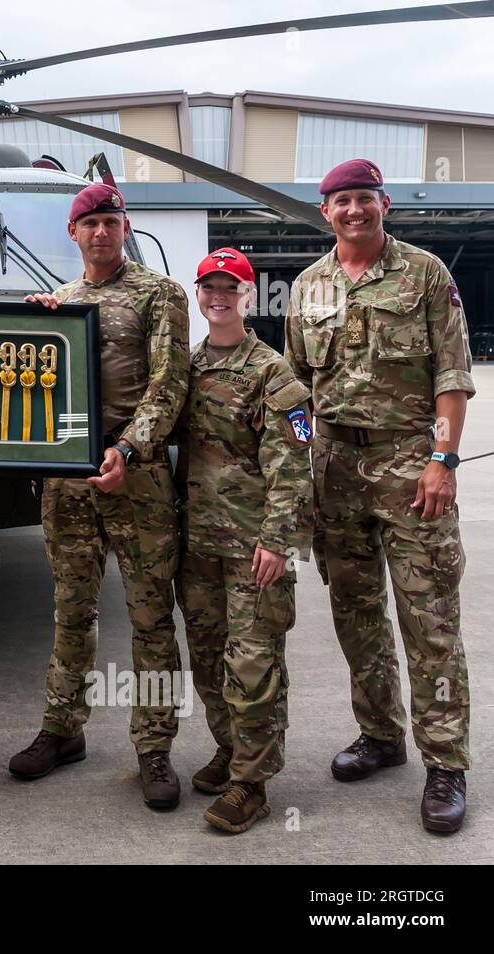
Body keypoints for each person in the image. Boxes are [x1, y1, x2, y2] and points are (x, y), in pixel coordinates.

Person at [286, 158, 474, 833]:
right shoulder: (308, 286)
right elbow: (297, 391)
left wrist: (442, 459)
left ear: (384, 203)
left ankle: (446, 762)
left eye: (364, 199)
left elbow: (452, 373)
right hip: (335, 472)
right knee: (356, 612)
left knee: (429, 620)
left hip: (409, 467)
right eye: (341, 202)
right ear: (325, 210)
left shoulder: (425, 274)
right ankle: (381, 735)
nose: (354, 211)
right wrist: (301, 459)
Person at [9, 182, 190, 811]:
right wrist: (34, 328)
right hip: (68, 482)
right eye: (90, 223)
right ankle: (62, 731)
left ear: (125, 225)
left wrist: (130, 450)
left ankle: (155, 745)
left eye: (111, 221)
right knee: (71, 609)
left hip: (136, 478)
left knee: (150, 618)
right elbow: (33, 393)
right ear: (73, 232)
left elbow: (169, 386)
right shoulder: (57, 302)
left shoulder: (158, 293)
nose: (101, 232)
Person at [174, 248, 313, 833]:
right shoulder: (186, 366)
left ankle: (251, 783)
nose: (218, 296)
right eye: (209, 287)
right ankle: (230, 749)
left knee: (253, 662)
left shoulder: (273, 373)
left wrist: (279, 542)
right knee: (208, 659)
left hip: (255, 546)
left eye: (230, 287)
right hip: (199, 545)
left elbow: (293, 463)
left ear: (249, 296)